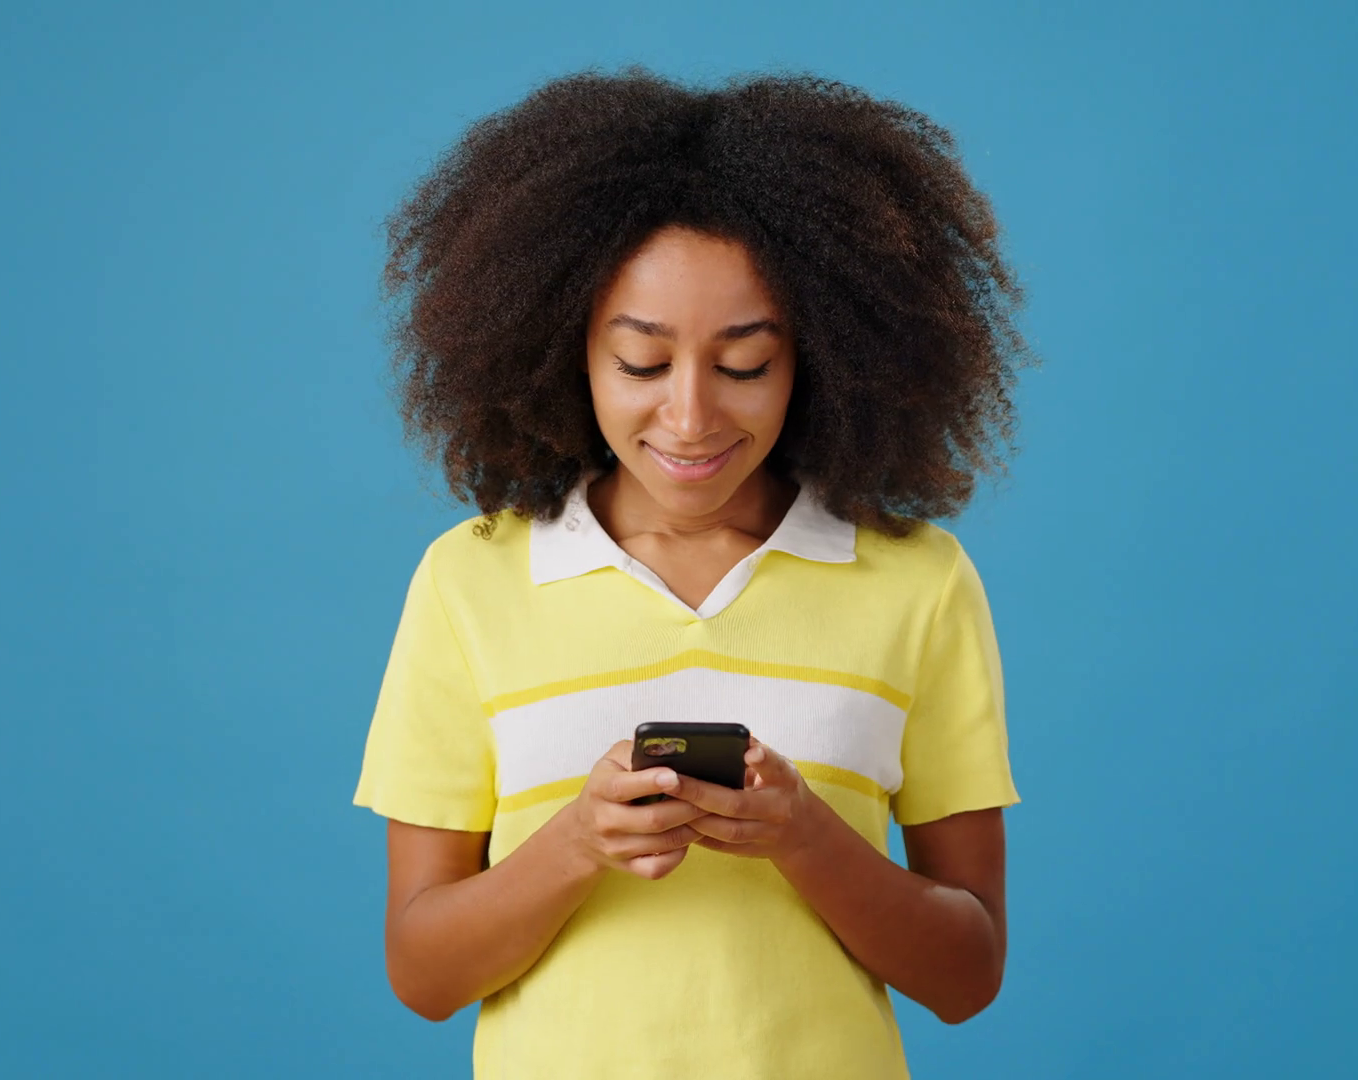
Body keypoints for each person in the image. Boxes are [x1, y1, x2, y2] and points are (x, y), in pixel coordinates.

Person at [353, 66, 1033, 1080]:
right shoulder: (470, 584)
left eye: (745, 364)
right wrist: (577, 842)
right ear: (561, 348)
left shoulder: (919, 584)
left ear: (826, 355)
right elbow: (424, 975)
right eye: (641, 363)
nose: (690, 417)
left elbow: (967, 976)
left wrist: (804, 835)